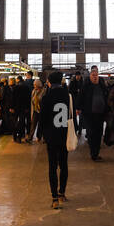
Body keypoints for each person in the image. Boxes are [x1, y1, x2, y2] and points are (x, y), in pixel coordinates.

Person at [40, 70, 72, 208]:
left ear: (49, 82)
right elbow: (71, 115)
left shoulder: (46, 97)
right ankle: (62, 193)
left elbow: (43, 118)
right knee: (63, 164)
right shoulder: (68, 96)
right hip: (64, 135)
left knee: (52, 166)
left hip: (51, 136)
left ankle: (54, 198)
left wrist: (41, 134)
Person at [79, 66, 109, 161]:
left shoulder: (102, 85)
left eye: (96, 75)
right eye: (93, 75)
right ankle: (93, 153)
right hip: (89, 114)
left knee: (99, 133)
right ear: (90, 76)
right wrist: (78, 108)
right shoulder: (86, 86)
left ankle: (96, 152)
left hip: (100, 114)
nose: (95, 77)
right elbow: (81, 97)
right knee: (91, 133)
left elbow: (107, 96)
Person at [13, 75, 33, 143]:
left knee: (15, 121)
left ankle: (15, 136)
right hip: (23, 107)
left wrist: (11, 107)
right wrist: (27, 107)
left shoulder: (15, 87)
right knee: (22, 121)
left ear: (18, 80)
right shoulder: (26, 87)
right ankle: (21, 136)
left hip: (16, 107)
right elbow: (28, 98)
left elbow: (12, 98)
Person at [30, 78, 45, 143]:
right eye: (34, 85)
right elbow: (32, 99)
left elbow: (43, 99)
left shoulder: (44, 91)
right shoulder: (33, 91)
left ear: (38, 85)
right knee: (33, 124)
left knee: (41, 125)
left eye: (35, 85)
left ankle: (40, 137)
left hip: (42, 110)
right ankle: (30, 137)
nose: (34, 86)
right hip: (35, 110)